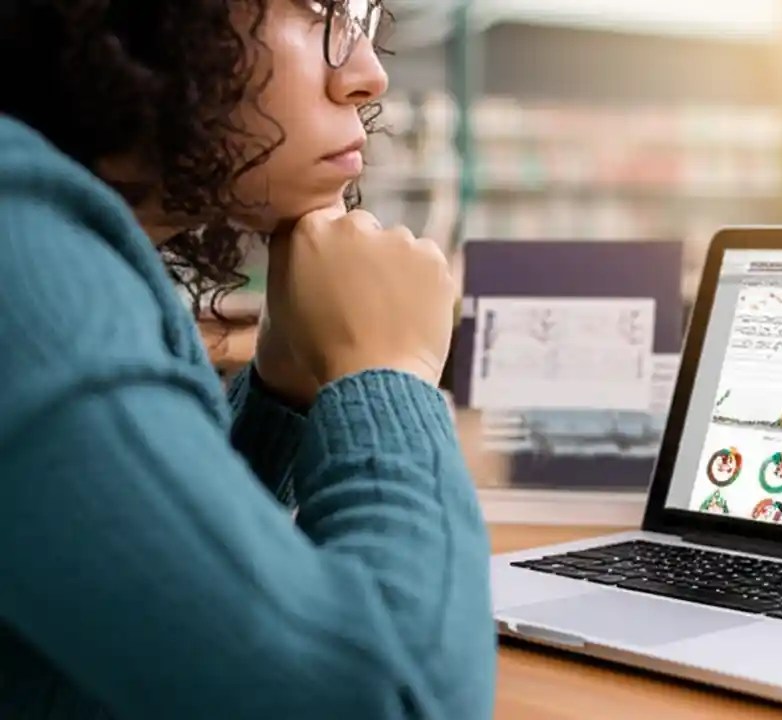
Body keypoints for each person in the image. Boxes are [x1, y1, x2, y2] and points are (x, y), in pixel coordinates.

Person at [0, 1, 494, 718]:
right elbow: (397, 703)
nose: (368, 72)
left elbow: (165, 620)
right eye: (318, 10)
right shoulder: (30, 277)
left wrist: (283, 393)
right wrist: (388, 375)